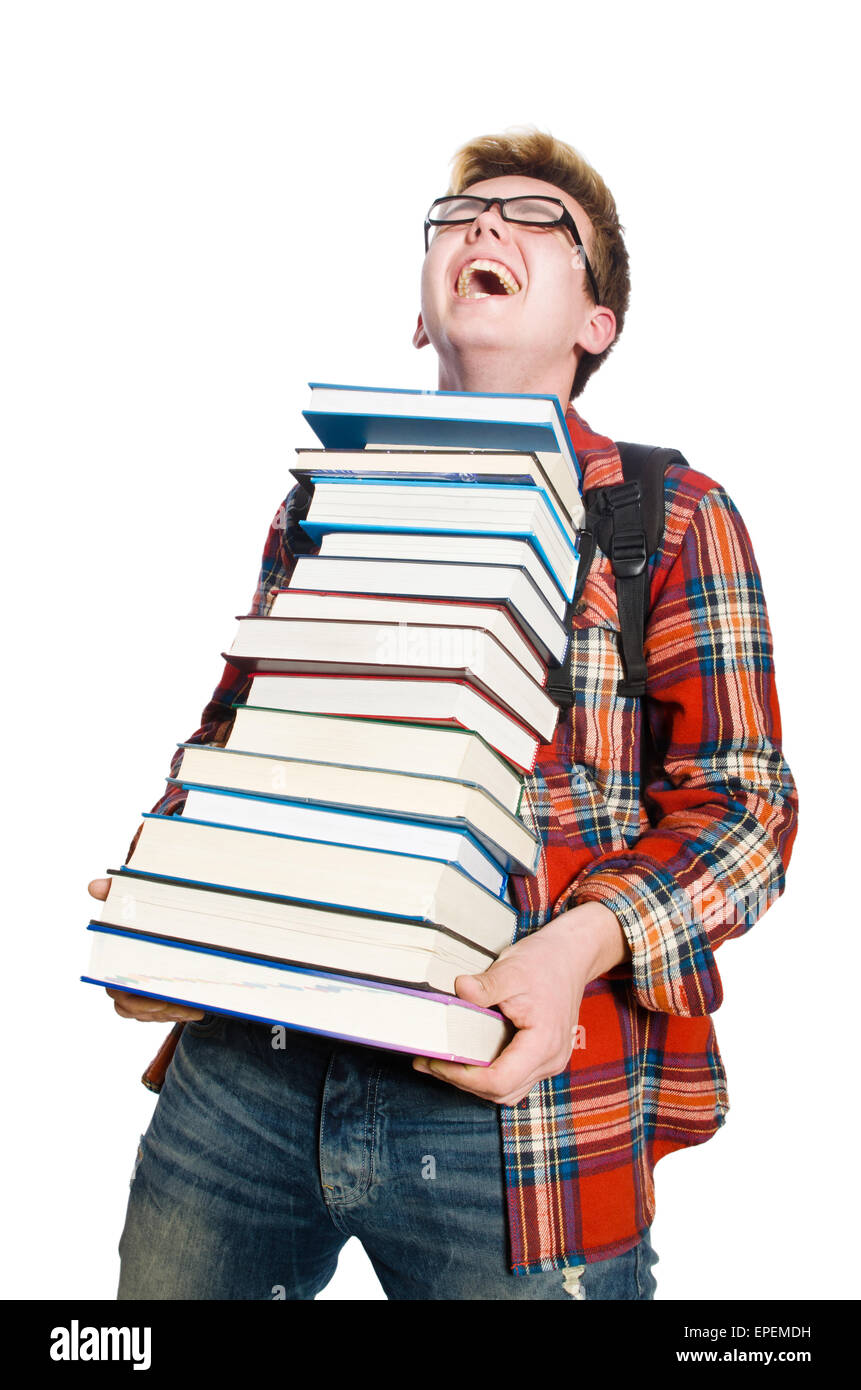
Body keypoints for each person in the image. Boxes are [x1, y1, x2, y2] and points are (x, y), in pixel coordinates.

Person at [89, 129, 799, 1301]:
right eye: (462, 215)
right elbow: (235, 736)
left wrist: (576, 948)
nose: (484, 229)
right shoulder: (322, 498)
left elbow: (750, 809)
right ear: (422, 315)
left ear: (595, 324)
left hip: (517, 1117)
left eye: (535, 221)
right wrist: (170, 901)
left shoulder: (670, 517)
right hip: (249, 1075)